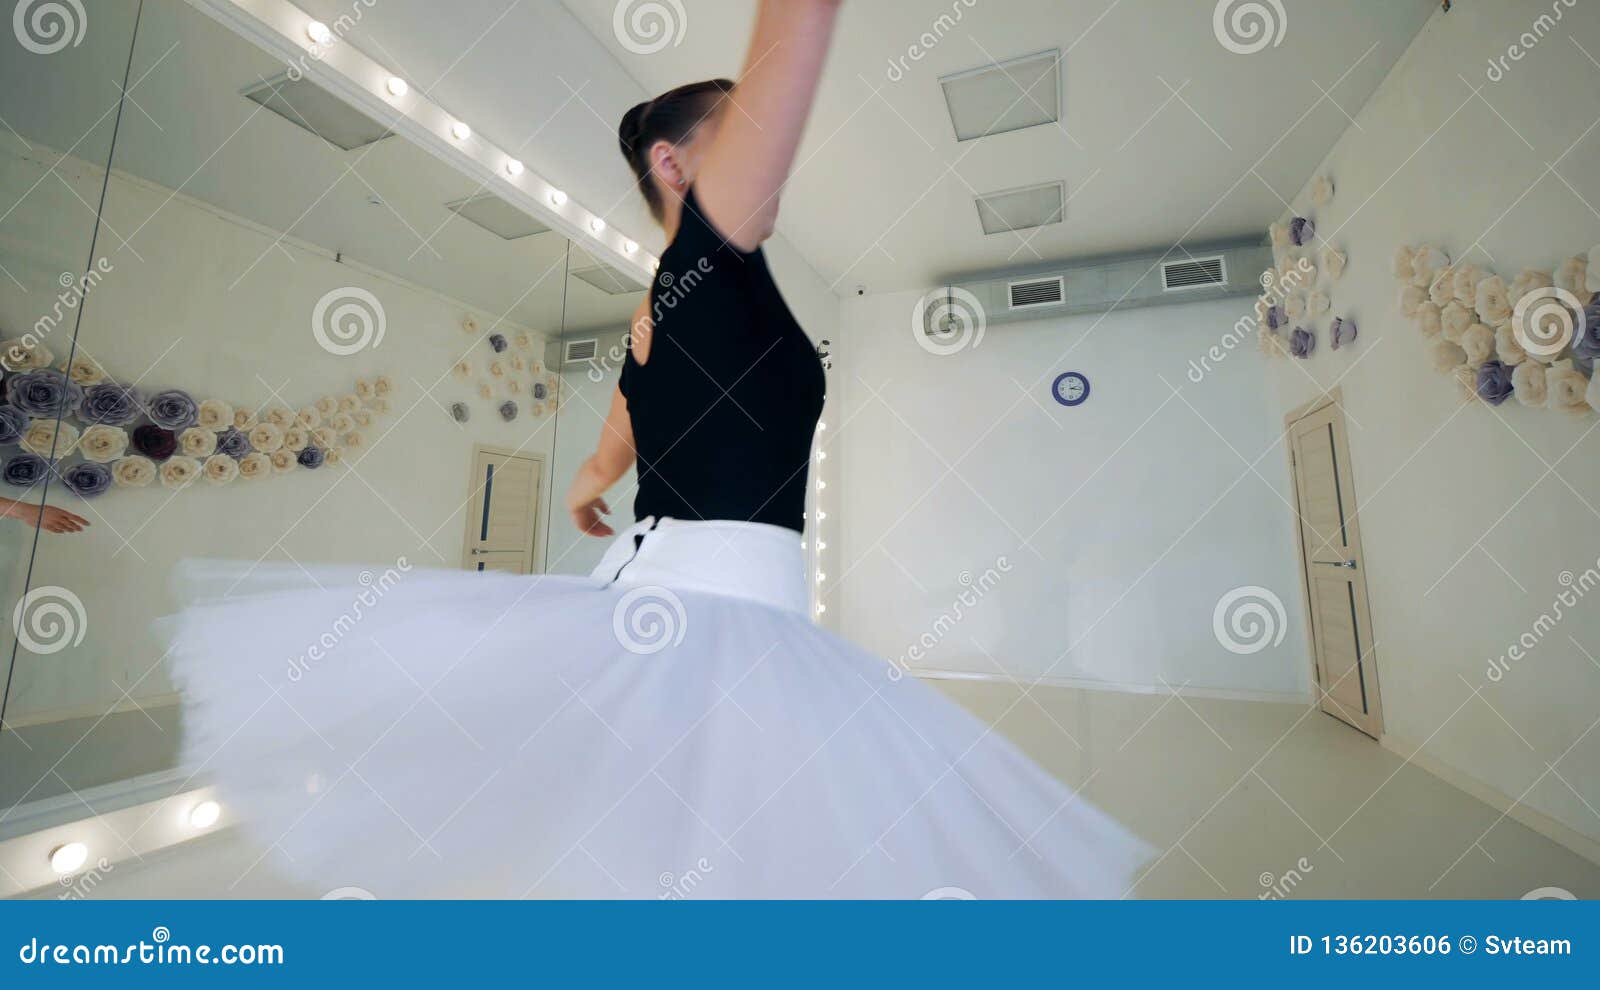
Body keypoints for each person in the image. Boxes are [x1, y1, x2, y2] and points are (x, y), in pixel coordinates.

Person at [166, 0, 1149, 898]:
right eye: (739, 133)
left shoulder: (664, 307)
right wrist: (599, 492)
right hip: (709, 607)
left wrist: (592, 492)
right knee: (721, 852)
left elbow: (602, 463)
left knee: (684, 848)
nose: (764, 152)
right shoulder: (706, 258)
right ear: (676, 168)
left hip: (686, 597)